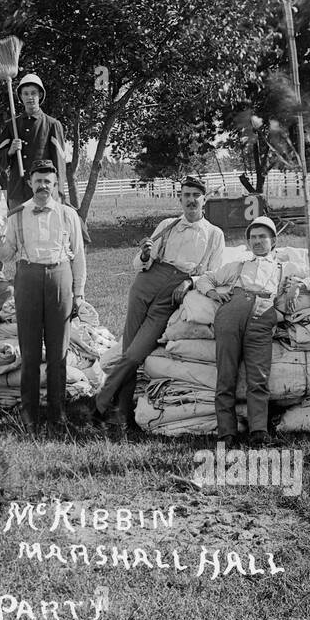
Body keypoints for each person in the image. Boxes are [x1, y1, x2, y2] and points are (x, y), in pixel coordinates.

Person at [92, 176, 224, 432]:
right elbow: (141, 262)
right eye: (186, 195)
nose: (191, 200)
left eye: (196, 195)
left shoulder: (214, 235)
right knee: (129, 345)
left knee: (134, 354)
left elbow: (214, 273)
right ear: (180, 199)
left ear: (204, 199)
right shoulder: (167, 224)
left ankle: (100, 403)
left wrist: (191, 282)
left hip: (173, 292)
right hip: (146, 284)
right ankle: (122, 413)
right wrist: (144, 254)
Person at [0, 160, 87, 438]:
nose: (43, 186)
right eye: (38, 181)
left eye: (48, 182)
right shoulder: (17, 215)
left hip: (60, 277)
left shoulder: (68, 215)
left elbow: (79, 256)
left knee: (58, 351)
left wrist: (78, 294)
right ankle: (29, 415)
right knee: (30, 351)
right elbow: (6, 254)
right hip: (28, 278)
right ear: (30, 184)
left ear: (55, 185)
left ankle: (57, 416)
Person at [190, 216, 304, 441]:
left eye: (263, 237)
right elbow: (205, 279)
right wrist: (214, 293)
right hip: (231, 314)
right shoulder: (238, 266)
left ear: (273, 241)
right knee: (226, 374)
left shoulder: (285, 266)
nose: (257, 241)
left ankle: (258, 430)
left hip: (263, 317)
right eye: (253, 237)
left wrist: (297, 287)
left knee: (258, 375)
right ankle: (226, 431)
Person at [0, 74, 68, 210]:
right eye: (26, 93)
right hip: (18, 192)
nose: (30, 97)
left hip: (44, 192)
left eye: (33, 93)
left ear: (40, 95)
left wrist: (58, 193)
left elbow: (60, 164)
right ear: (21, 97)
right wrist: (10, 151)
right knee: (19, 230)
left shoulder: (52, 125)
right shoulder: (11, 126)